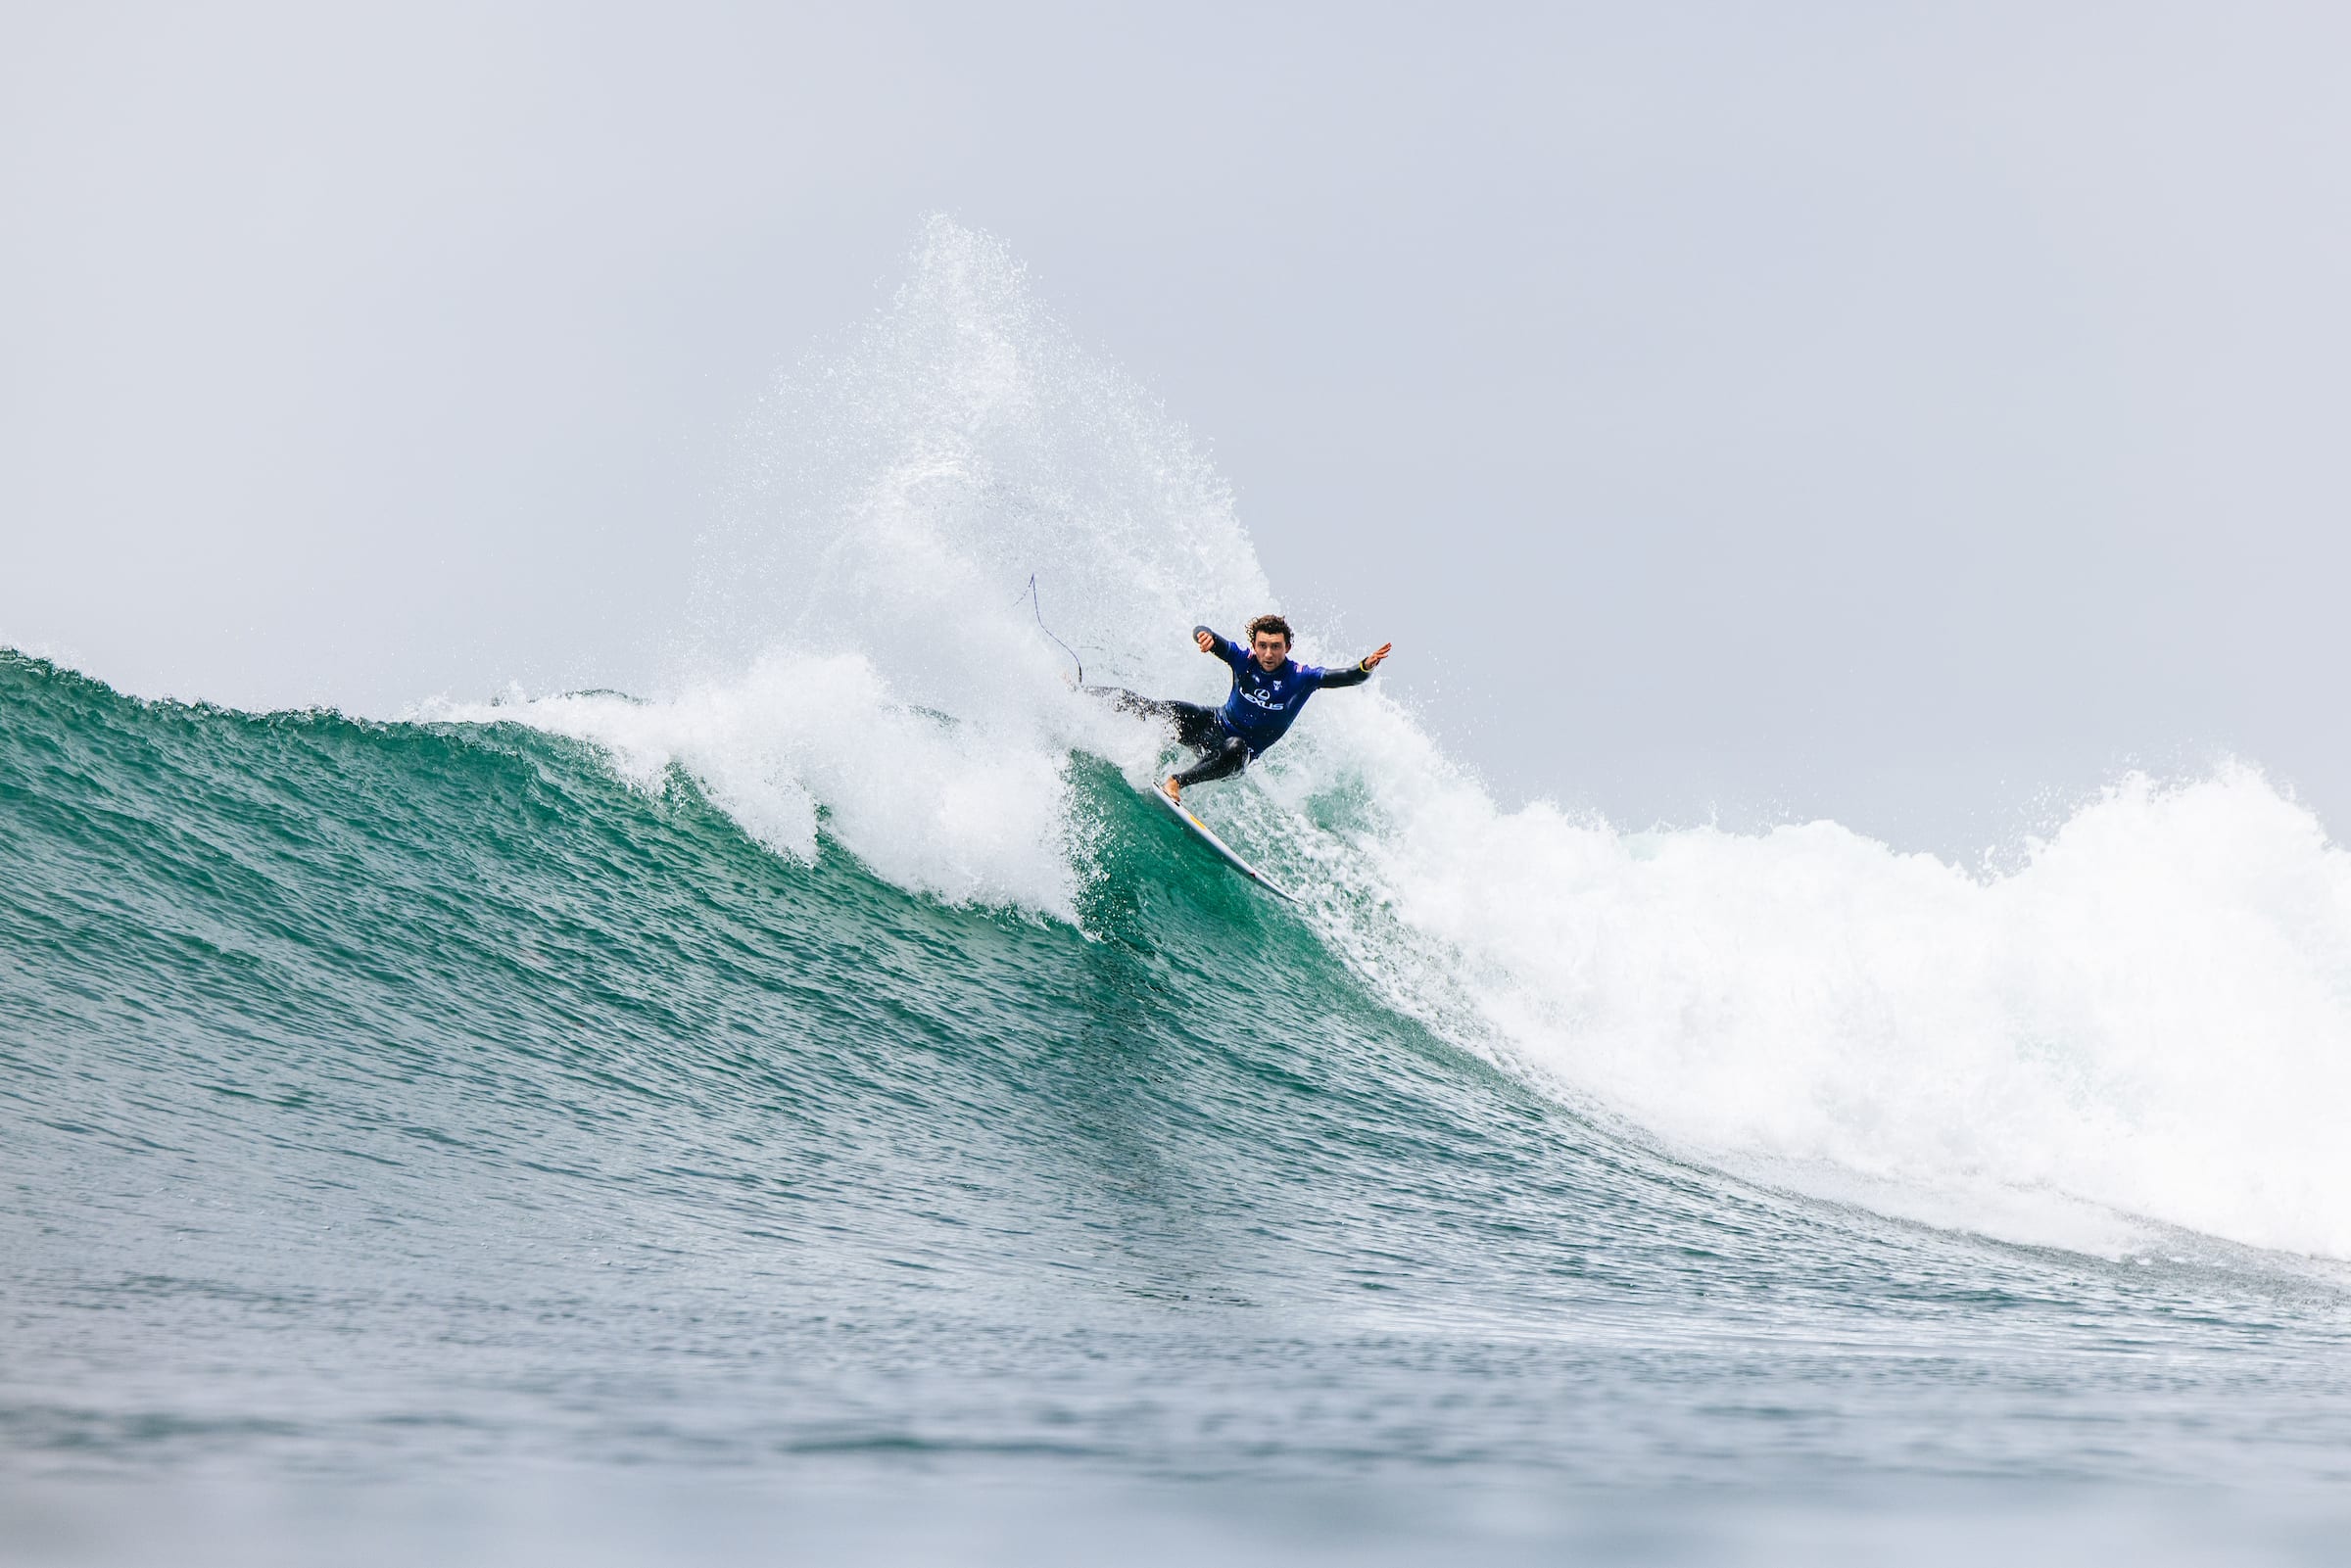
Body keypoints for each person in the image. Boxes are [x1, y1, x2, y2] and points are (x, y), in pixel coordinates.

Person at [1089, 613, 1393, 801]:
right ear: (1255, 645)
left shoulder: (1302, 677)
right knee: (1160, 709)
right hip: (1213, 726)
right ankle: (1082, 693)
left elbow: (1348, 677)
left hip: (1237, 754)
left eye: (1276, 646)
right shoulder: (1243, 658)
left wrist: (1365, 666)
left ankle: (1176, 782)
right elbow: (1203, 629)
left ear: (1287, 647)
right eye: (1263, 645)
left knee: (1235, 747)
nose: (1268, 653)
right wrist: (1203, 637)